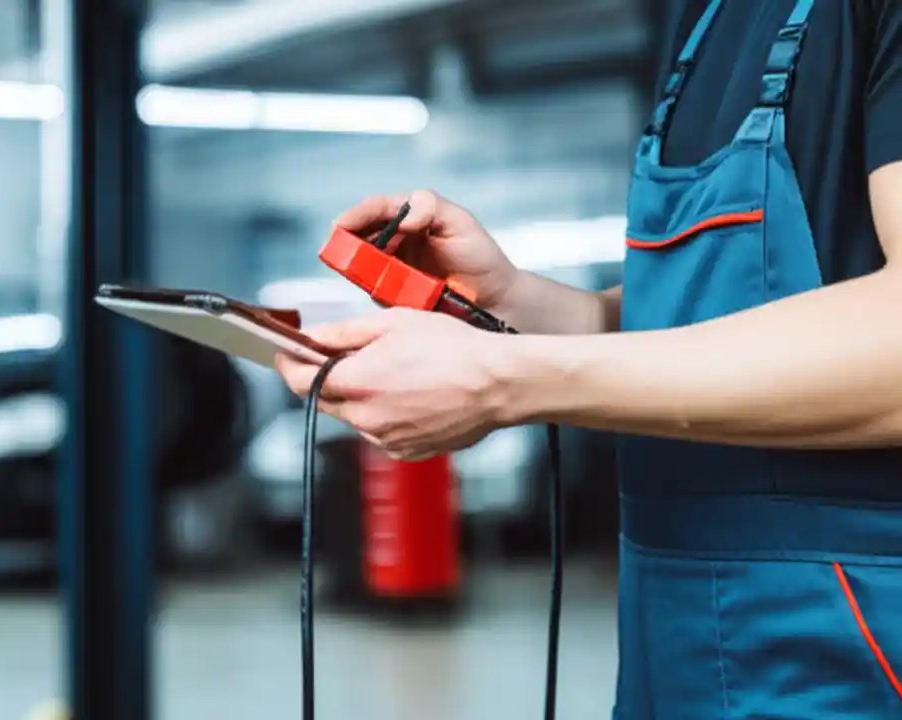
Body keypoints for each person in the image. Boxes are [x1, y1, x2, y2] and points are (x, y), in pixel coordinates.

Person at [277, 1, 902, 716]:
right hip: (672, 646)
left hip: (848, 651)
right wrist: (514, 309)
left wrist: (506, 380)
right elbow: (686, 324)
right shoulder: (703, 20)